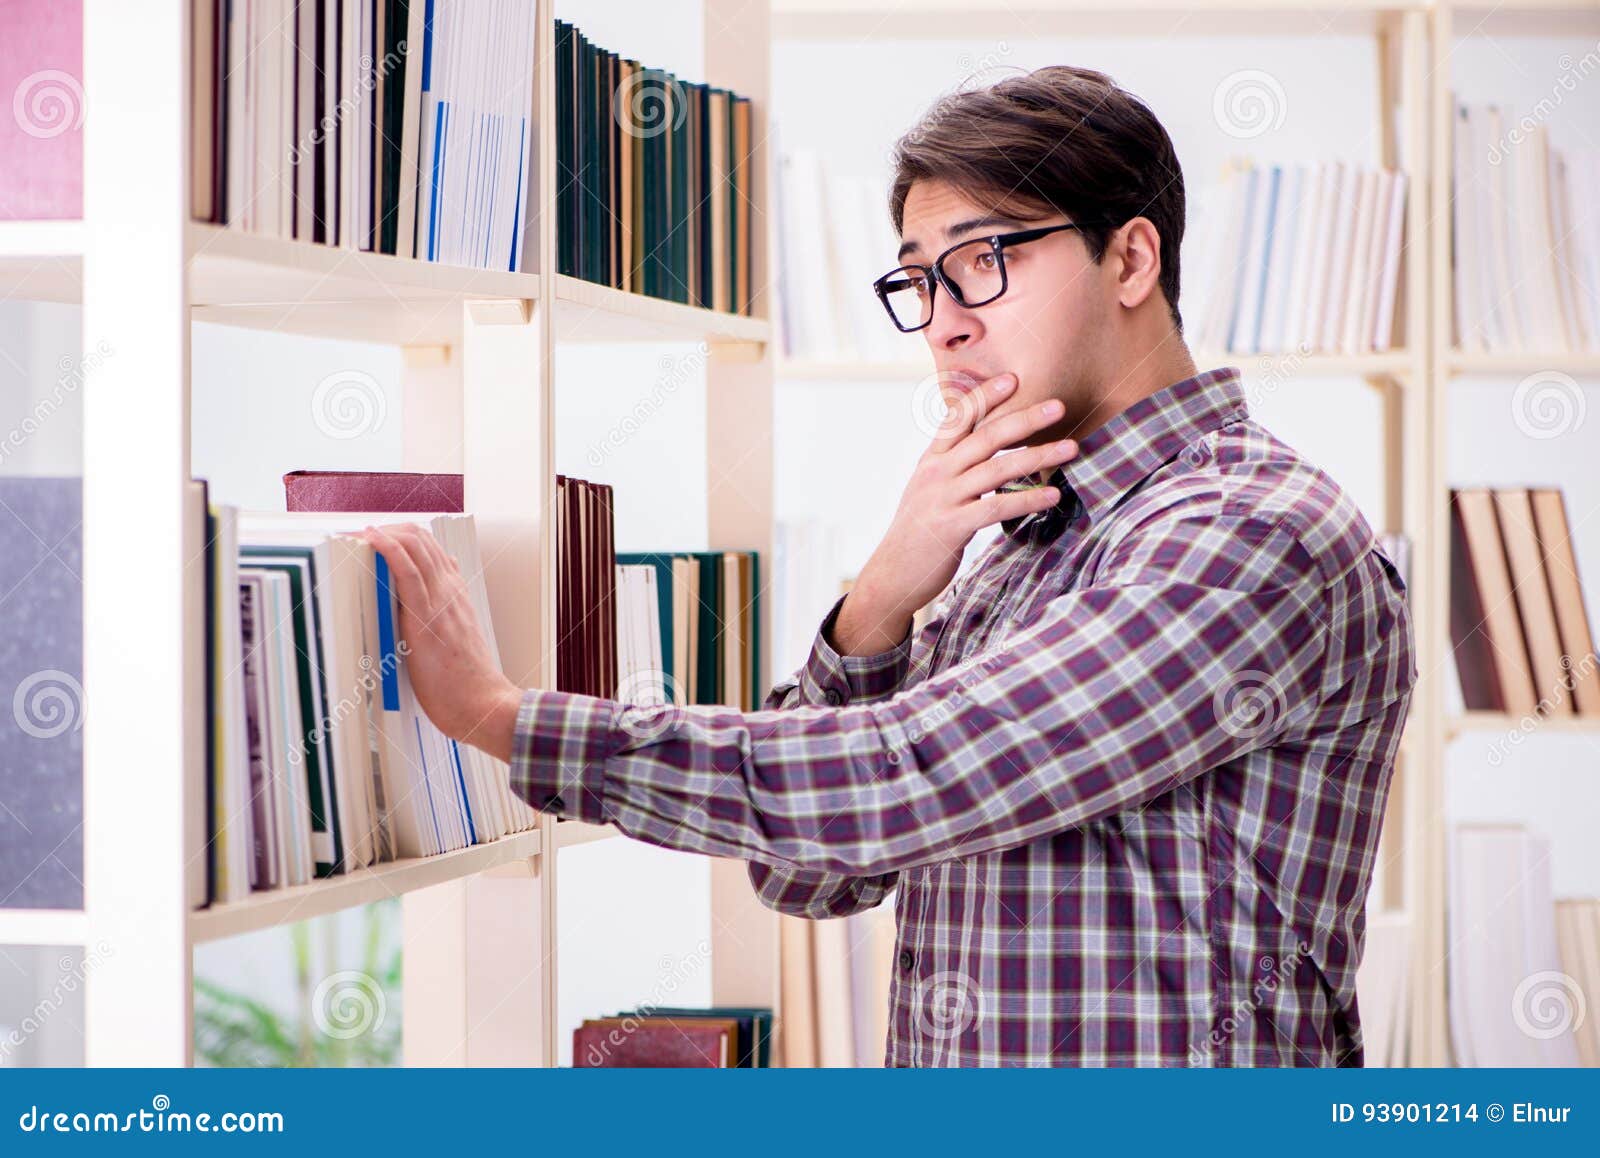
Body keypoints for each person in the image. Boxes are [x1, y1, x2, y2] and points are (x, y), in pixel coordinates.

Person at [360, 64, 1416, 1067]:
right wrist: (879, 598)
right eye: (920, 281)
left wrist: (503, 718)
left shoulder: (1246, 531)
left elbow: (912, 775)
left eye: (984, 260)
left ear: (1130, 259)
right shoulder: (1016, 545)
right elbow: (807, 871)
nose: (946, 325)